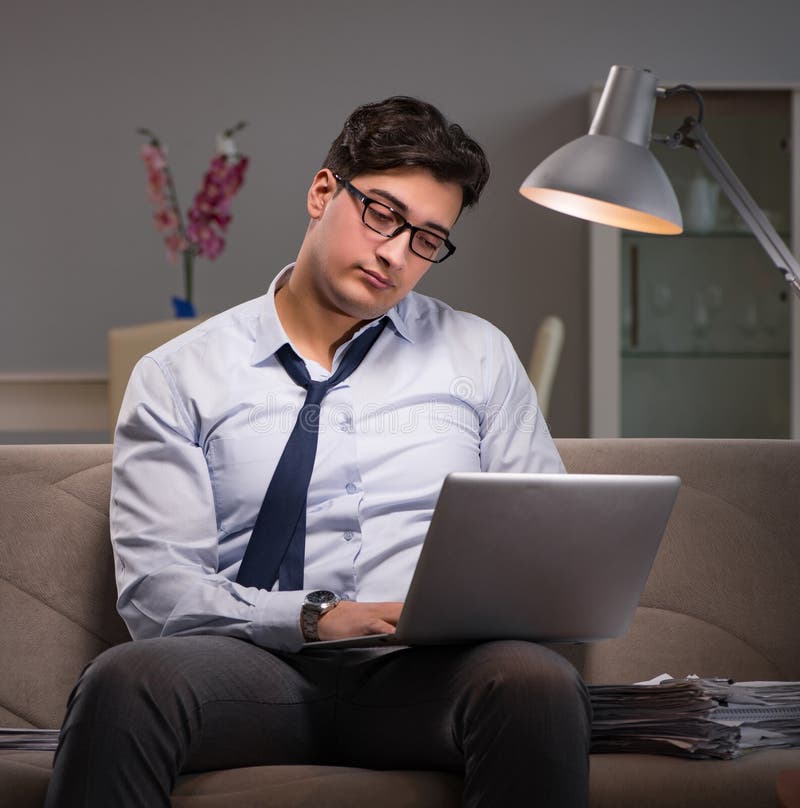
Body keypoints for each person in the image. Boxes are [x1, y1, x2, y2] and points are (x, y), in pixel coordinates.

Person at [44, 96, 591, 807]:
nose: (396, 253)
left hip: (425, 676)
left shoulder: (478, 355)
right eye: (384, 215)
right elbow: (157, 591)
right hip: (249, 672)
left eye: (428, 239)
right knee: (127, 680)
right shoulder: (179, 374)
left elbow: (544, 543)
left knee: (536, 683)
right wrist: (317, 619)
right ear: (323, 190)